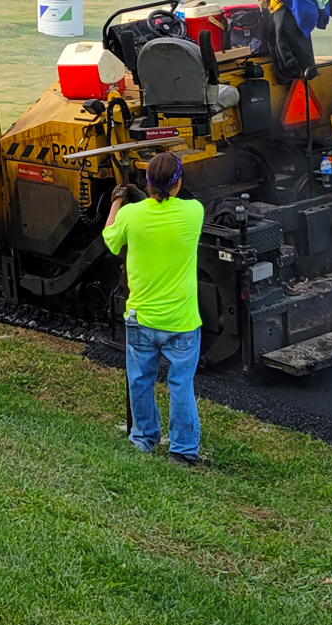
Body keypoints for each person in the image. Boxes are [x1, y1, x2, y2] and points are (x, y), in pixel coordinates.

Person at [101, 151, 207, 466]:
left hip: (142, 318)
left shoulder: (131, 216)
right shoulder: (194, 212)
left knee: (140, 381)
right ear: (178, 182)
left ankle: (144, 439)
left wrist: (117, 200)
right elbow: (172, 204)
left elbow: (110, 238)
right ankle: (183, 450)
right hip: (181, 320)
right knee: (181, 384)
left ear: (147, 181)